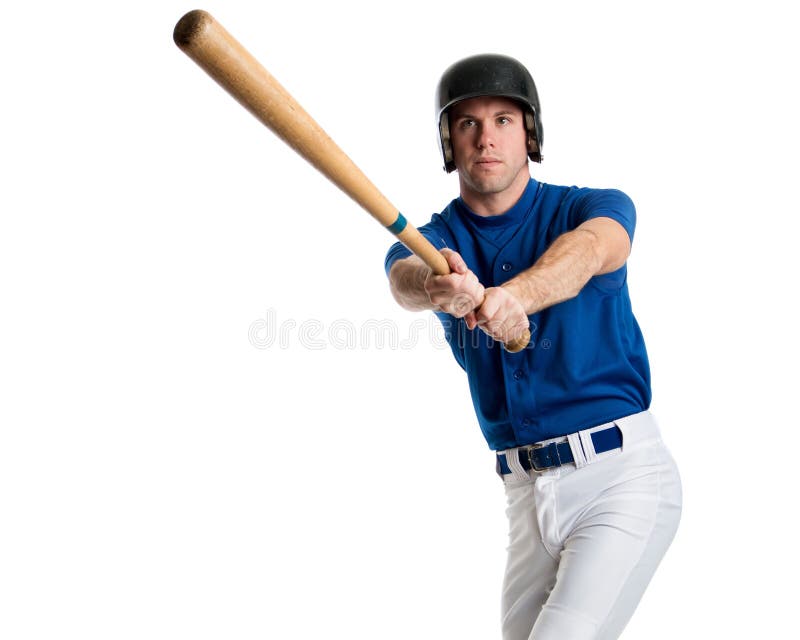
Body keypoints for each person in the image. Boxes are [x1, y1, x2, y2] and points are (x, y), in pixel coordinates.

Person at [384, 54, 682, 640]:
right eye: (467, 123)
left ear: (530, 133)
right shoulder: (437, 242)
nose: (486, 138)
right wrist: (436, 286)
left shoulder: (591, 206)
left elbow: (592, 250)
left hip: (619, 479)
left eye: (503, 120)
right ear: (449, 142)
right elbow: (402, 279)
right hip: (524, 495)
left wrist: (515, 296)